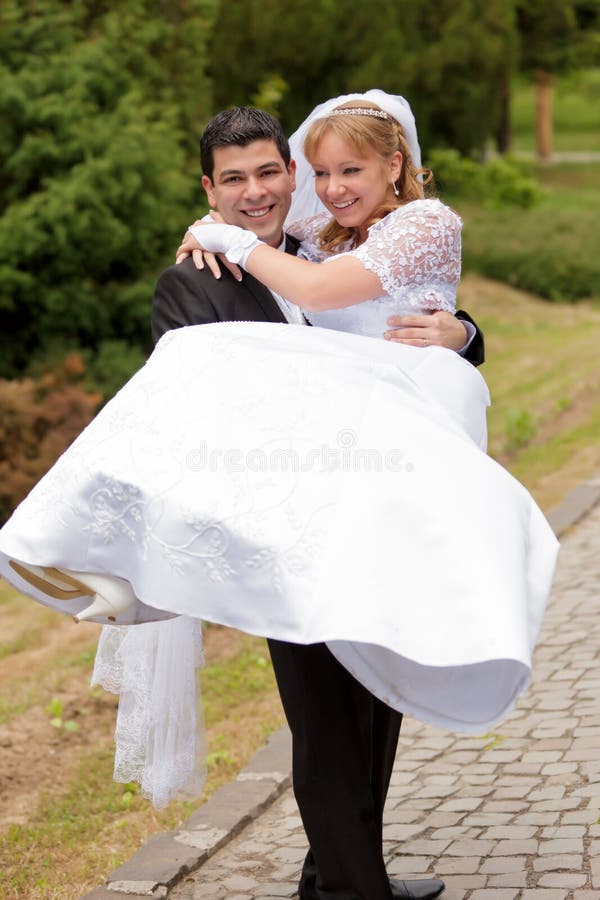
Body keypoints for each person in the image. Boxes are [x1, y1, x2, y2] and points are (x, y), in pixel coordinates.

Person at [0, 93, 558, 900]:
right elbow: (192, 410)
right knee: (325, 719)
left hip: (383, 507)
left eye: (269, 173)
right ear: (209, 189)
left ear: (290, 175)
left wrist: (464, 333)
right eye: (233, 180)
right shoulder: (194, 282)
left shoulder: (320, 244)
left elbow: (392, 308)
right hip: (292, 525)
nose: (255, 192)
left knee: (379, 701)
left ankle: (339, 873)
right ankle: (349, 893)